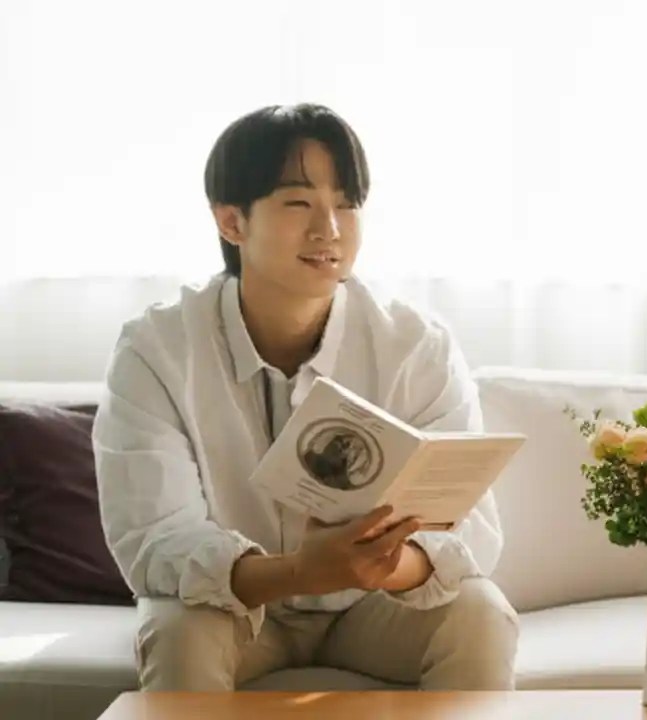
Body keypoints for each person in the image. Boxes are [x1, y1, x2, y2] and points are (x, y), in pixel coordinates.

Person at [93, 104, 518, 691]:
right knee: (179, 630)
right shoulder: (157, 349)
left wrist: (390, 565)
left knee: (481, 614)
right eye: (299, 204)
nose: (331, 229)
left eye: (346, 203)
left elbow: (470, 531)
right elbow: (156, 540)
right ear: (231, 222)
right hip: (238, 608)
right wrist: (295, 572)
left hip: (373, 607)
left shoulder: (415, 344)